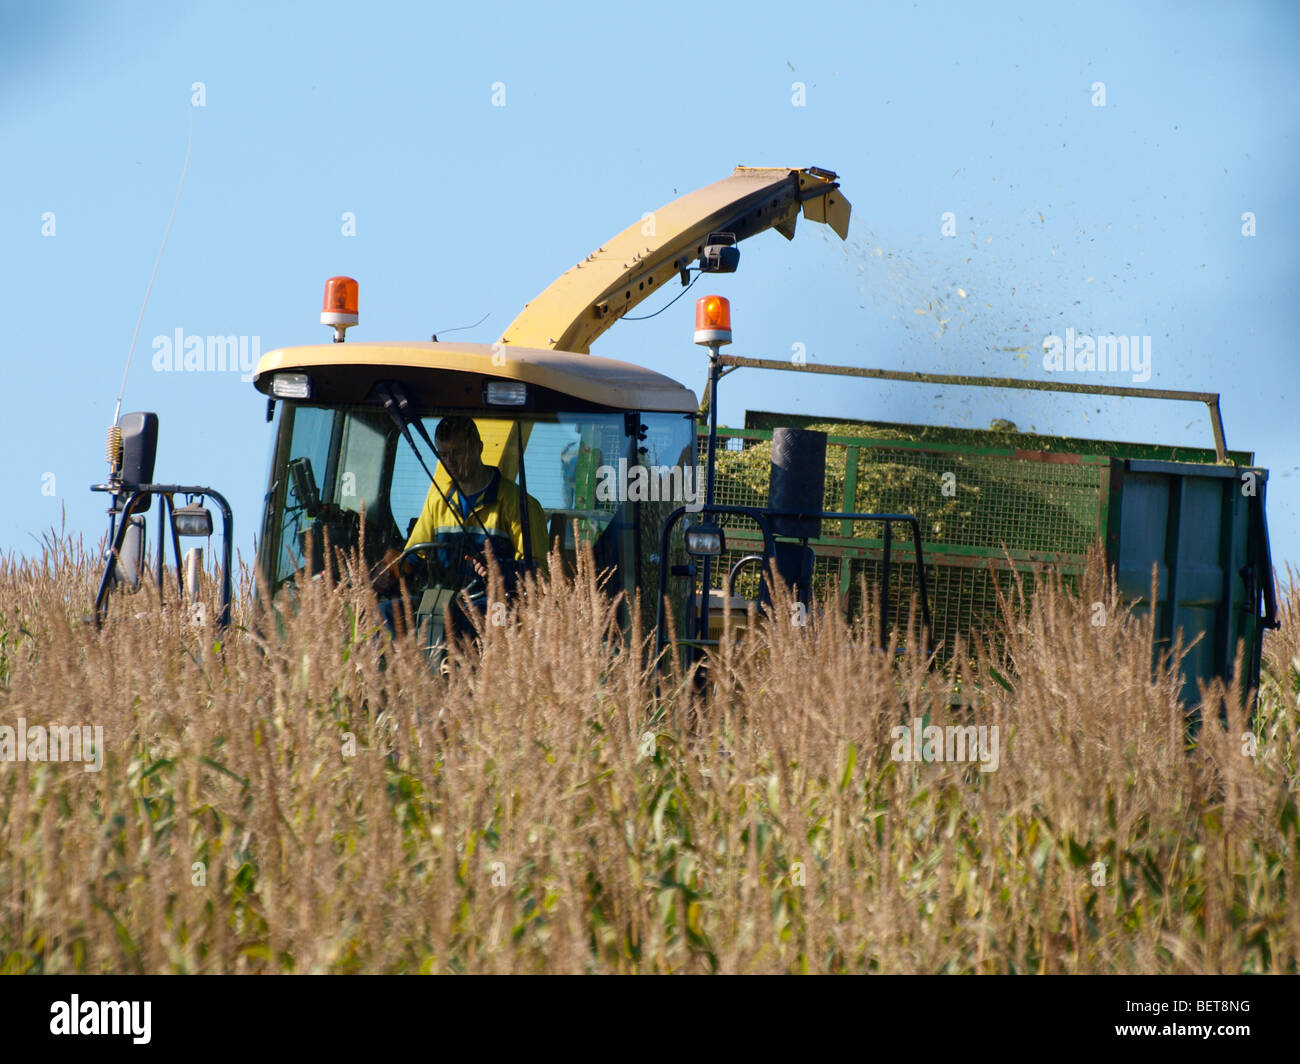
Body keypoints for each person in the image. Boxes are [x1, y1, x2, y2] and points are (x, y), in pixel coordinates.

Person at [373, 415, 548, 639]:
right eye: (443, 455)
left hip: (494, 605)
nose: (450, 462)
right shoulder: (439, 500)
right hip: (441, 600)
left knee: (460, 623)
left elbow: (540, 572)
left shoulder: (519, 504)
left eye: (457, 453)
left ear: (478, 448)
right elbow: (413, 556)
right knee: (386, 613)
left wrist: (498, 568)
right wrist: (388, 569)